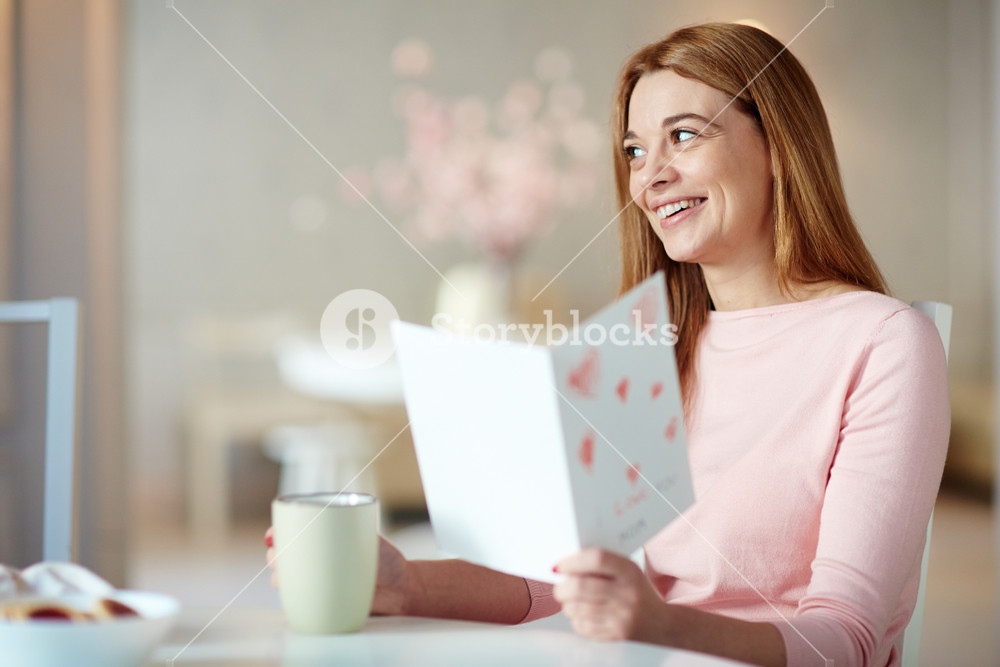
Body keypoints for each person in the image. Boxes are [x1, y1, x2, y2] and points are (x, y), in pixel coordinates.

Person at [266, 22, 949, 667]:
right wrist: (406, 583)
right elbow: (566, 581)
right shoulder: (648, 347)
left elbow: (847, 640)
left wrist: (658, 624)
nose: (650, 177)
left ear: (778, 146)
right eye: (634, 150)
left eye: (683, 136)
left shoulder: (883, 344)